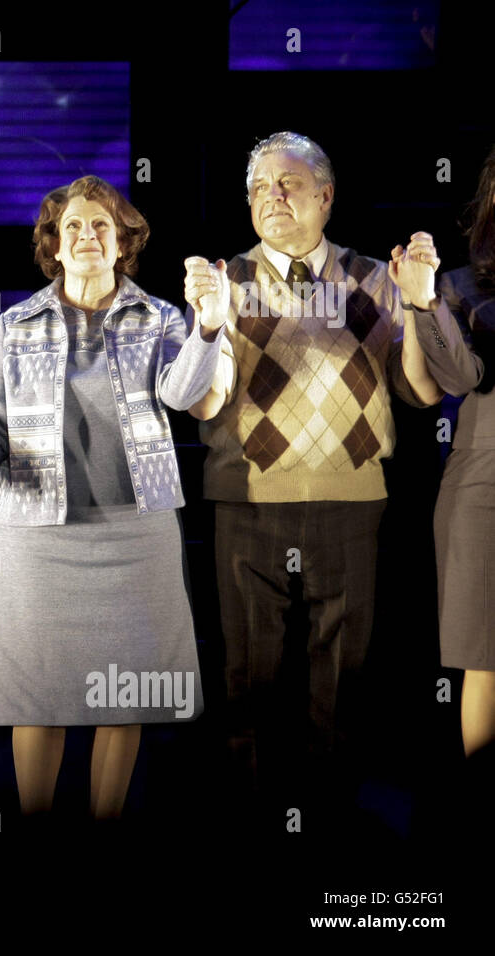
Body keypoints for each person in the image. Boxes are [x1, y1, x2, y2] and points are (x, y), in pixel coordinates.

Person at [183, 131, 473, 827]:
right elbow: (207, 401)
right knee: (245, 677)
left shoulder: (376, 278)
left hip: (351, 500)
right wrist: (209, 321)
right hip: (247, 501)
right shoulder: (228, 283)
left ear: (326, 195)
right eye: (258, 189)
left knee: (340, 679)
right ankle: (253, 816)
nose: (272, 198)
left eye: (287, 184)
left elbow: (425, 394)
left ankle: (328, 818)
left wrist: (417, 302)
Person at [0, 175, 220, 825]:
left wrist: (209, 330)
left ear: (123, 241)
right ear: (53, 243)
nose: (86, 236)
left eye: (101, 225)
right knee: (38, 697)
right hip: (38, 537)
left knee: (123, 693)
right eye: (72, 226)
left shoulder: (158, 316)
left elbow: (185, 393)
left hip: (137, 536)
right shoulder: (16, 325)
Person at [432, 146, 495, 759]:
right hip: (484, 486)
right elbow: (452, 381)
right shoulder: (460, 287)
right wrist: (420, 303)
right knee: (486, 658)